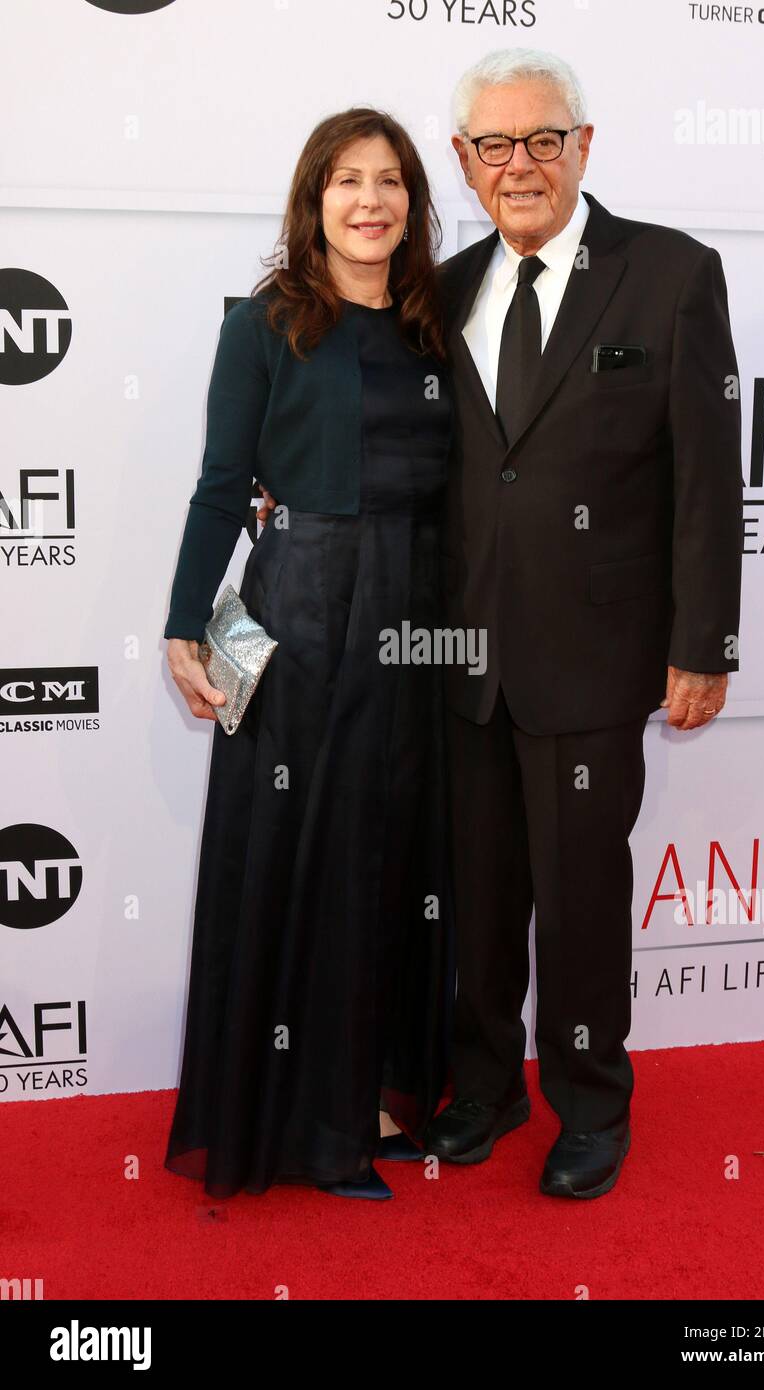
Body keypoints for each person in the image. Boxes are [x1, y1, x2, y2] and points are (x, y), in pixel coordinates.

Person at [262, 49, 743, 1199]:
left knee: (578, 898)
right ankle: (481, 1091)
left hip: (593, 652)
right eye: (491, 146)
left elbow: (706, 481)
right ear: (464, 164)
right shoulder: (447, 282)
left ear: (583, 146)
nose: (515, 164)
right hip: (457, 659)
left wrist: (702, 642)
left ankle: (589, 1105)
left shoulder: (669, 274)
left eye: (539, 141)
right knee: (473, 894)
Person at [162, 108, 455, 1201]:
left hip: (419, 626)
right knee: (307, 855)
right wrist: (187, 622)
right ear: (314, 197)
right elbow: (218, 485)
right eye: (346, 179)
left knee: (396, 857)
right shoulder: (268, 323)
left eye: (389, 181)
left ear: (414, 205)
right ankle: (300, 1121)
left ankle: (380, 1092)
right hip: (305, 615)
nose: (369, 200)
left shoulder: (440, 321)